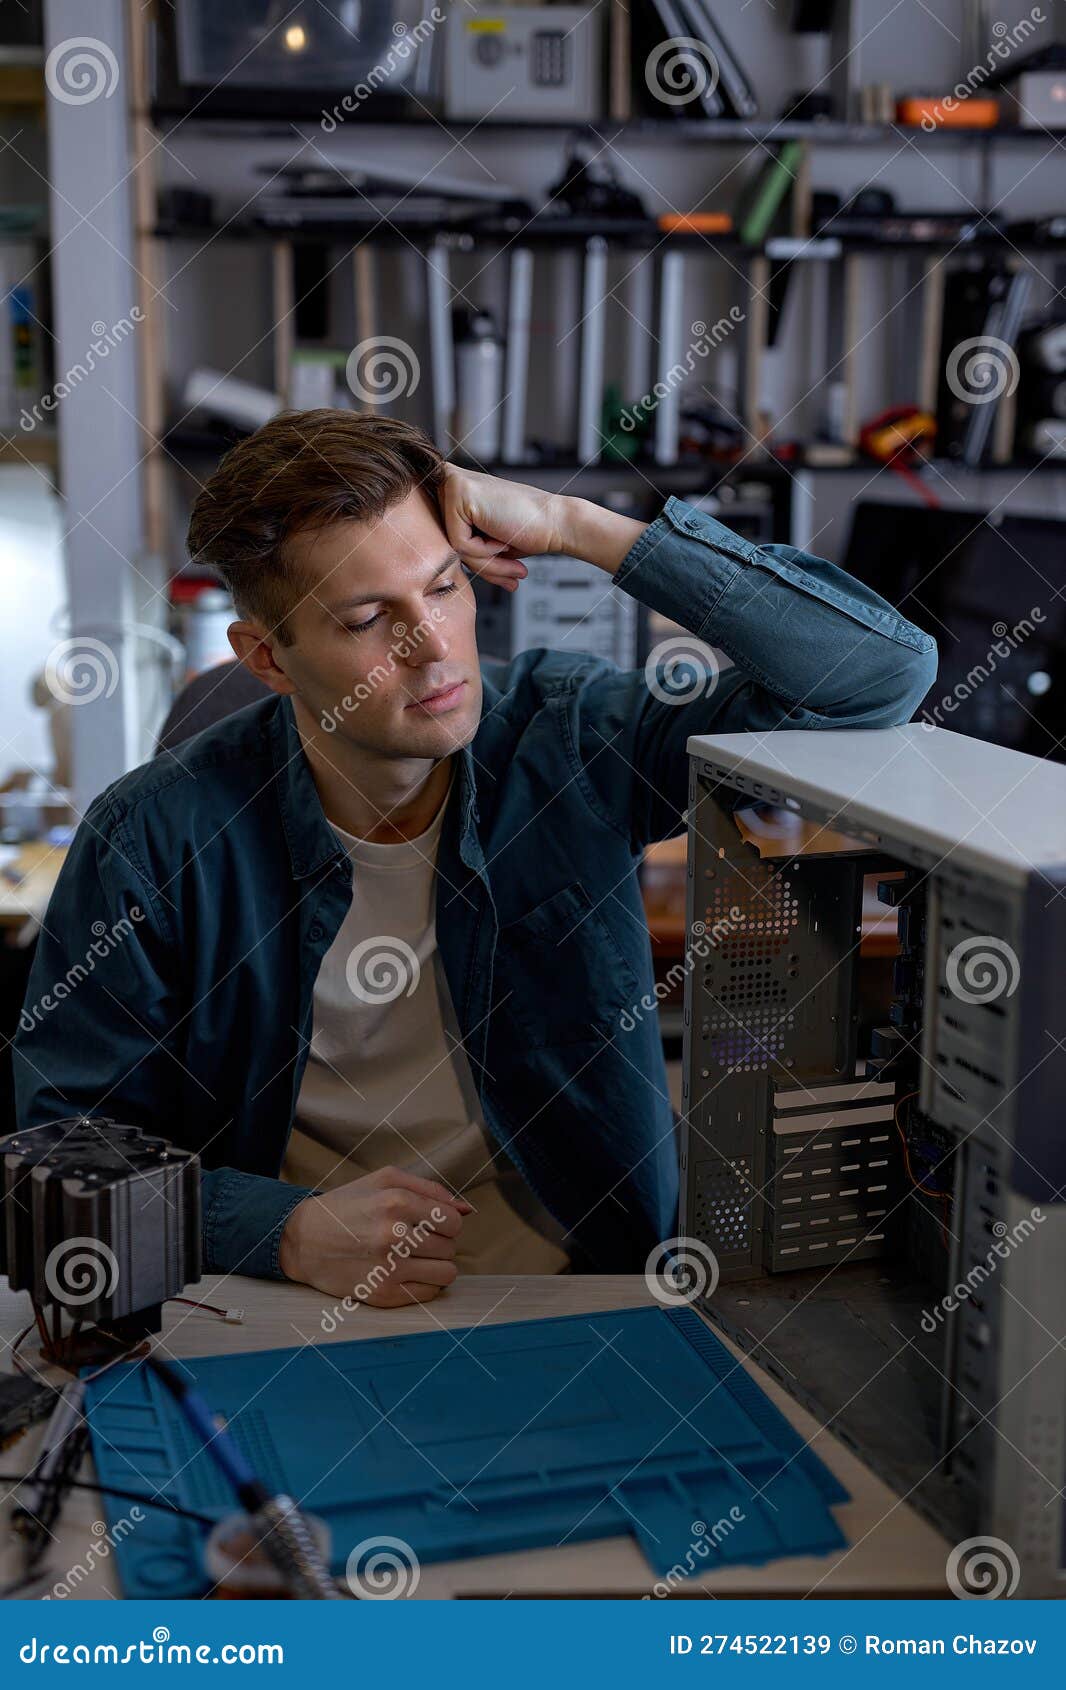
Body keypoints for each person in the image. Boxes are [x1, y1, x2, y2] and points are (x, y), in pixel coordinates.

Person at [14, 411, 936, 1306]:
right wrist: (279, 1230)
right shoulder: (153, 838)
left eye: (446, 587)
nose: (433, 648)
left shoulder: (565, 732)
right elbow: (58, 1157)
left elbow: (877, 677)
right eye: (371, 617)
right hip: (290, 1312)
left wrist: (582, 527)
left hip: (596, 1301)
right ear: (267, 658)